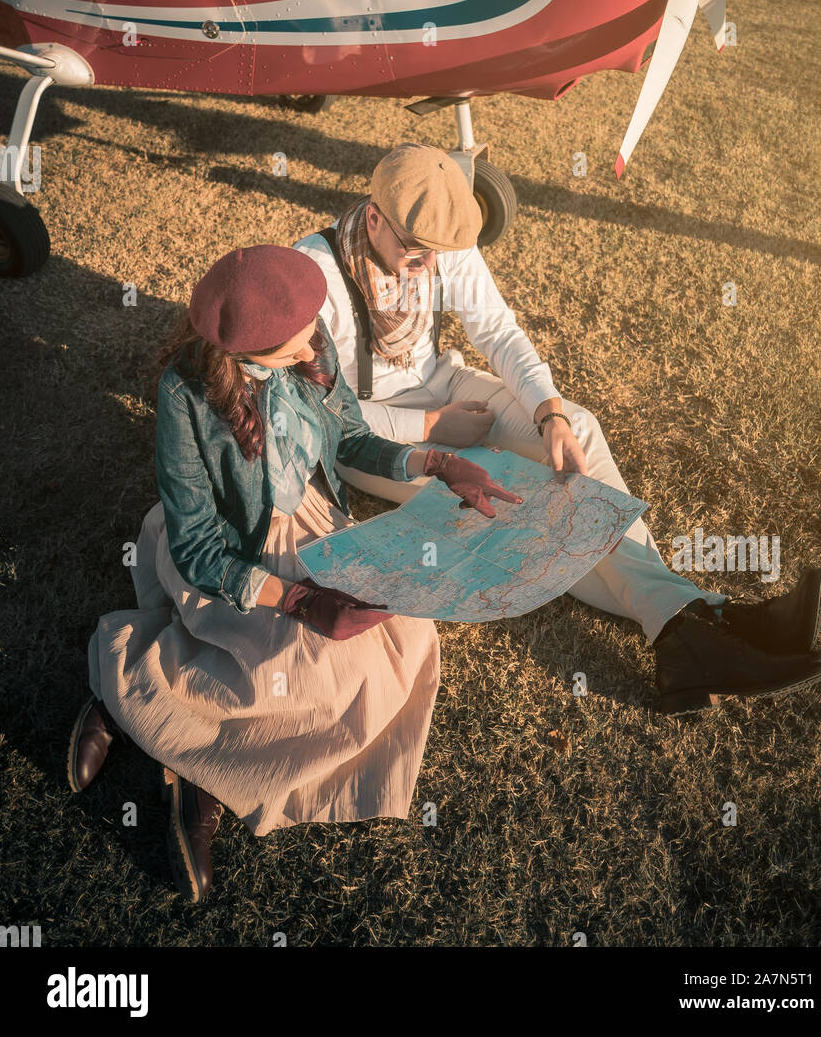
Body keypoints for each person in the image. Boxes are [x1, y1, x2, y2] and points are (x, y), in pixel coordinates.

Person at [292, 144, 821, 716]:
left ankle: (687, 620)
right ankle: (701, 620)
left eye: (436, 255)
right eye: (415, 252)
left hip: (444, 383)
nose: (428, 266)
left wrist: (549, 413)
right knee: (530, 491)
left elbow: (499, 333)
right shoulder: (314, 272)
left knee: (579, 426)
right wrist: (431, 425)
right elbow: (325, 412)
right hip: (377, 437)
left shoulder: (439, 241)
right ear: (374, 218)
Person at [68, 245, 518, 902]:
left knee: (401, 640)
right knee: (305, 664)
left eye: (313, 324)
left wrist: (436, 463)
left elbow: (352, 439)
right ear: (249, 352)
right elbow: (196, 546)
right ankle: (155, 719)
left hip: (312, 522)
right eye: (298, 337)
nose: (316, 339)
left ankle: (193, 752)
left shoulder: (312, 340)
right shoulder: (184, 396)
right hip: (232, 550)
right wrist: (301, 601)